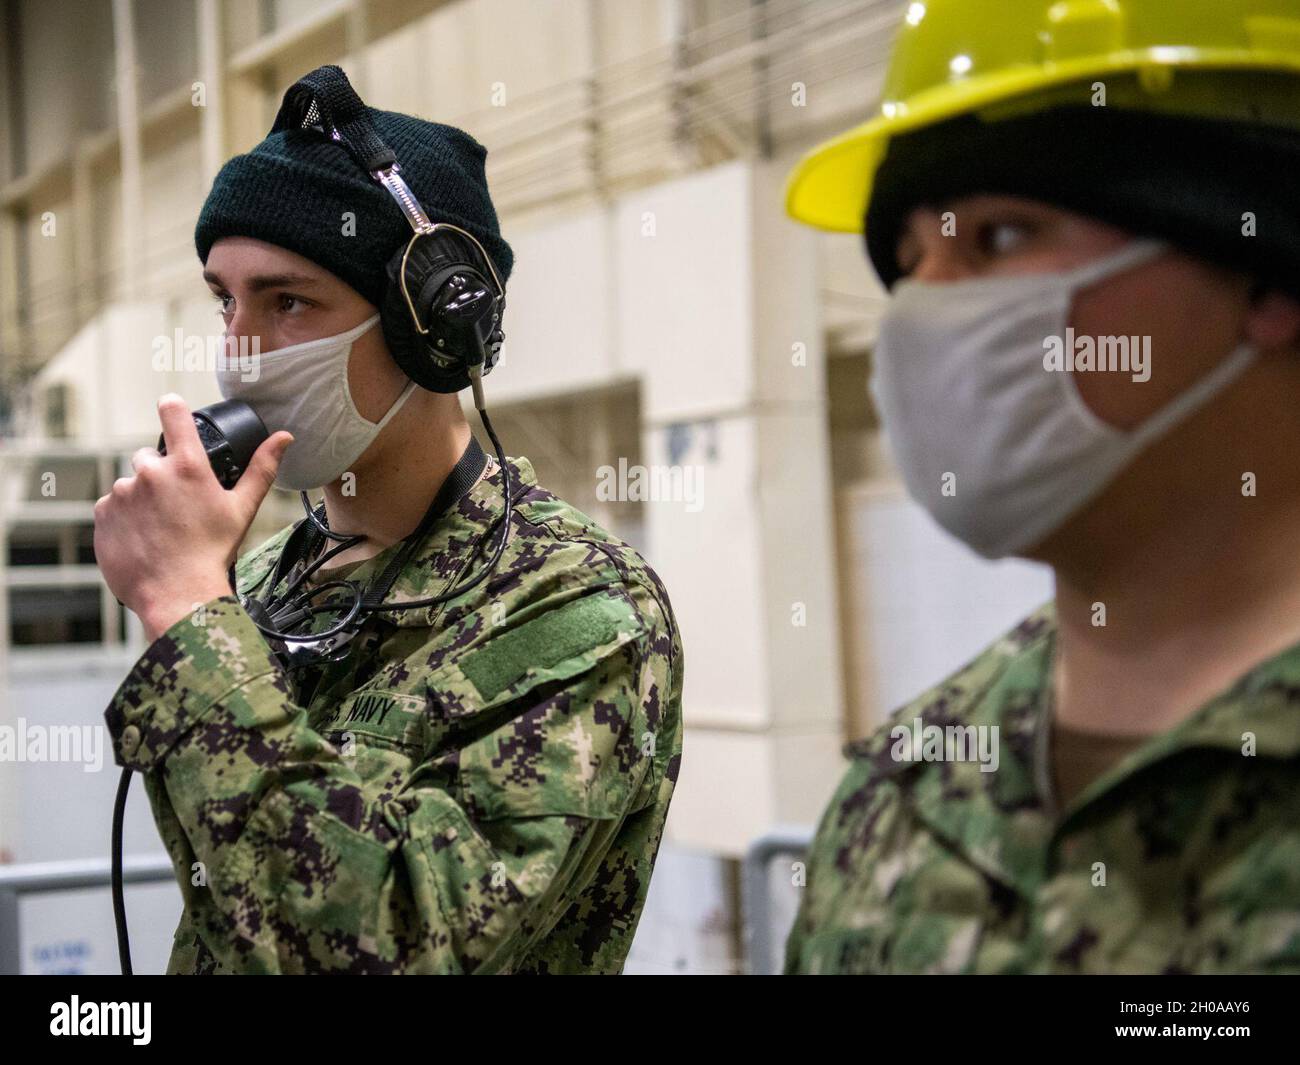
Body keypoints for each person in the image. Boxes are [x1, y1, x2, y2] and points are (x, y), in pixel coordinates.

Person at [93, 67, 683, 974]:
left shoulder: (574, 605)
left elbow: (391, 947)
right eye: (226, 300)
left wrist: (185, 615)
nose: (237, 351)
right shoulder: (264, 580)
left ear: (429, 326)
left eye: (288, 301)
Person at [782, 0, 1300, 973]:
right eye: (908, 261)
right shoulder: (901, 790)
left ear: (1263, 266)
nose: (927, 307)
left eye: (1001, 236)